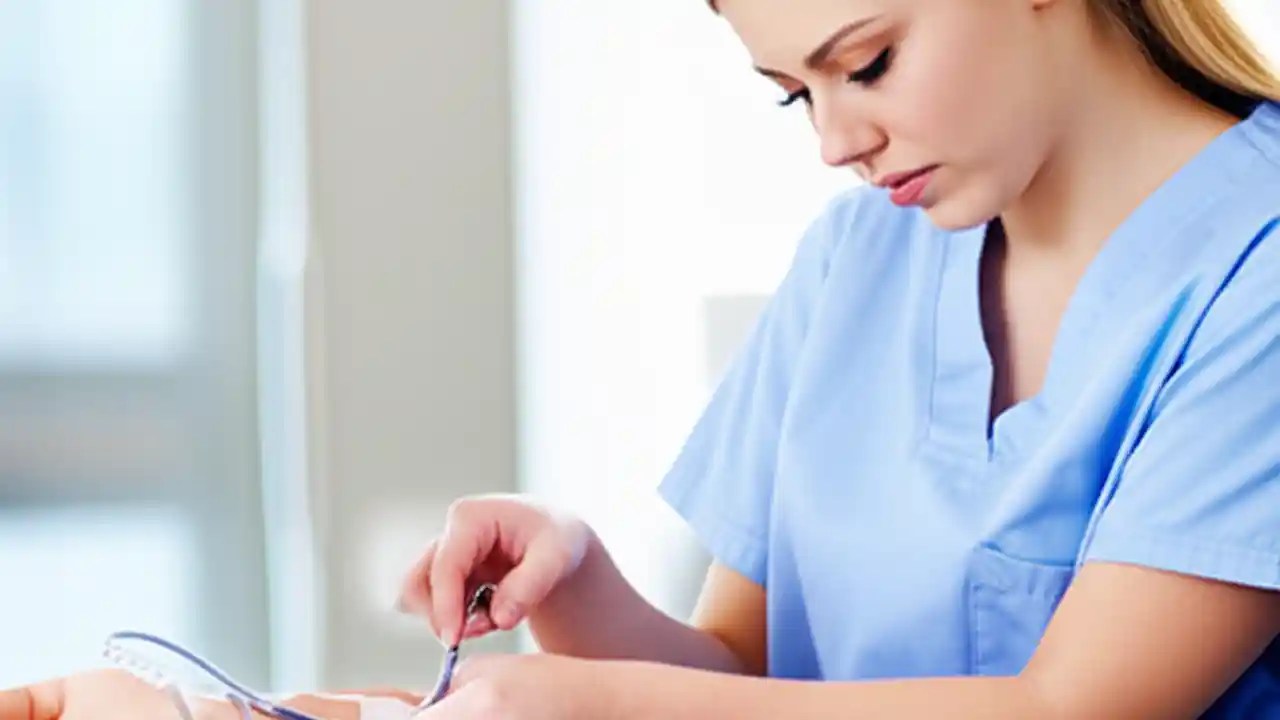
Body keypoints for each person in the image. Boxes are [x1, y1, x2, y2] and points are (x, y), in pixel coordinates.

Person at [4, 0, 1279, 717]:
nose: (836, 140)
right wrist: (584, 598)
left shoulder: (1255, 267)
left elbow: (1082, 710)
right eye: (794, 94)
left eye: (865, 63)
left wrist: (611, 710)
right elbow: (744, 677)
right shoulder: (861, 258)